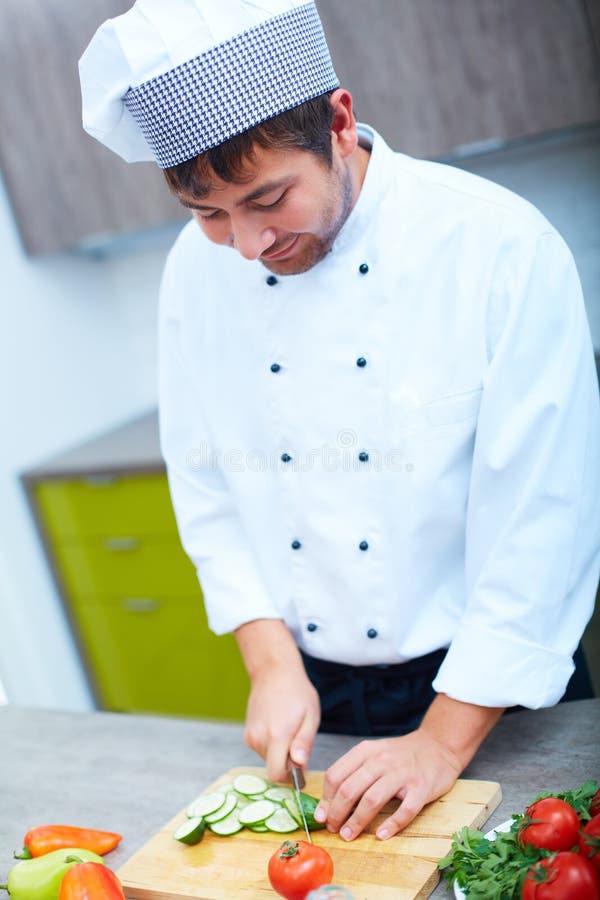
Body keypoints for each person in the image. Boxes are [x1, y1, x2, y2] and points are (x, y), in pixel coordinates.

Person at [79, 0, 600, 842]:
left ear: (339, 121)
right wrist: (271, 662)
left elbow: (548, 520)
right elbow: (207, 480)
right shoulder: (193, 273)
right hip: (321, 690)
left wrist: (439, 741)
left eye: (268, 198)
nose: (246, 246)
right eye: (209, 215)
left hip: (498, 687)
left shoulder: (497, 246)